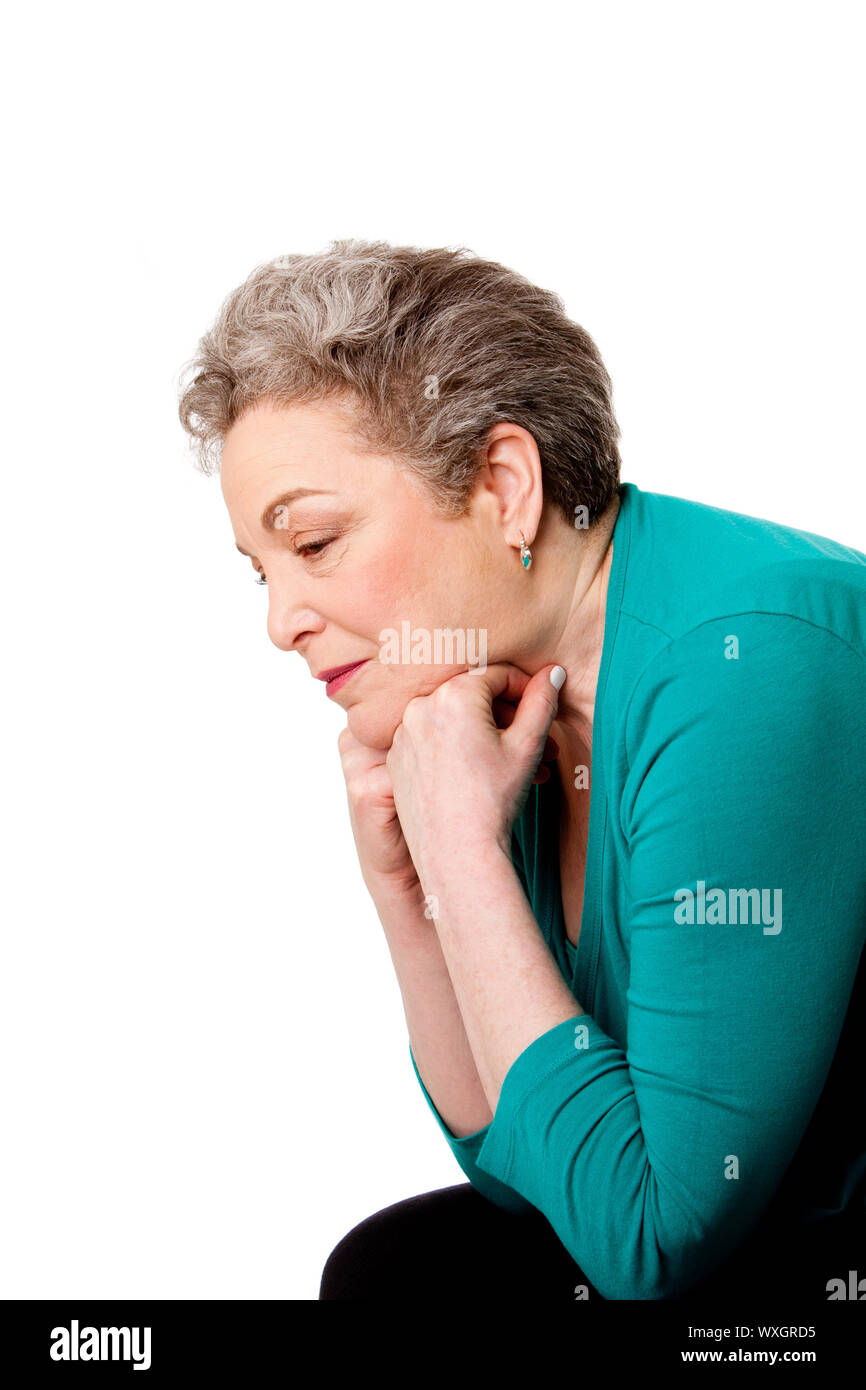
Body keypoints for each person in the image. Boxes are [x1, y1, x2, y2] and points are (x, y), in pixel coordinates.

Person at [177, 238, 866, 1301]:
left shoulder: (744, 660)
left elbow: (653, 1243)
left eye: (312, 543)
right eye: (258, 570)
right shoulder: (509, 686)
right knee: (397, 1271)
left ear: (503, 486)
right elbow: (516, 1171)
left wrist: (460, 849)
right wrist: (406, 884)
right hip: (716, 1234)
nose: (279, 623)